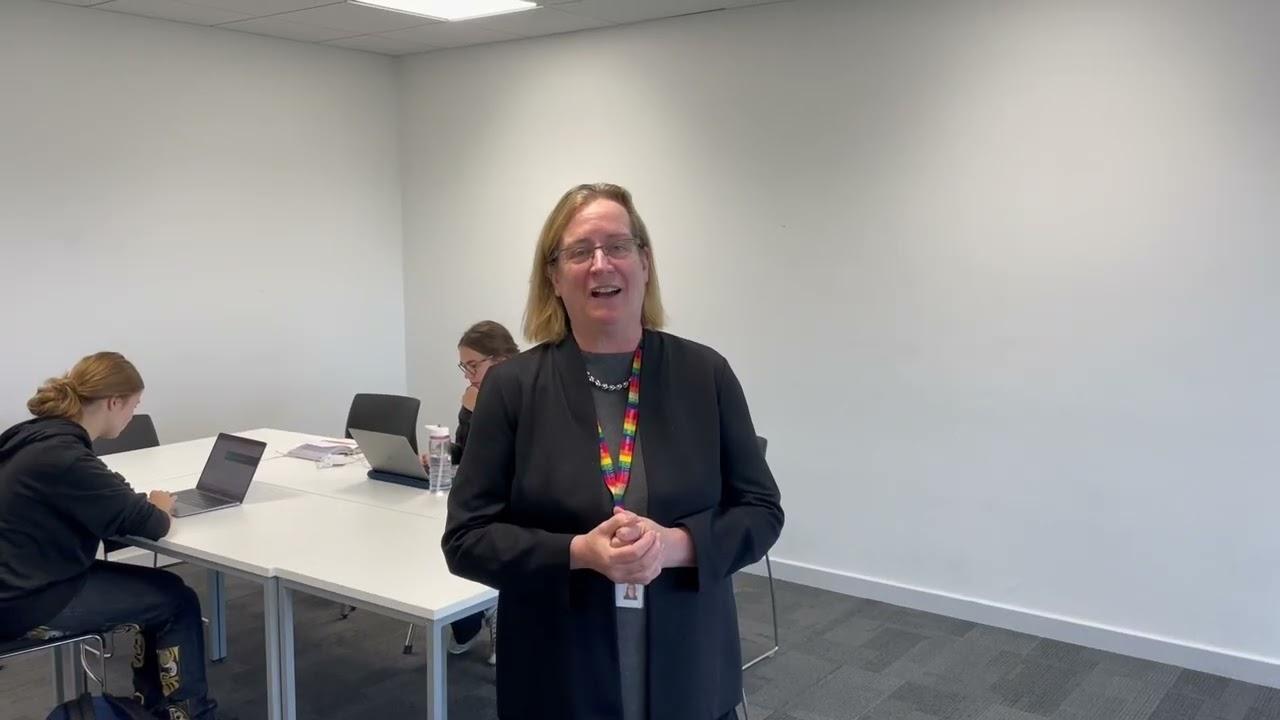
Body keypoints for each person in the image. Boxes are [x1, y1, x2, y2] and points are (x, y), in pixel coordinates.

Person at [442, 183, 784, 720]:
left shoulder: (705, 376)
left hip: (689, 669)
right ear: (553, 277)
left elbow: (762, 512)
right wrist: (579, 553)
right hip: (557, 674)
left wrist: (675, 546)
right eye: (579, 251)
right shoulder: (511, 387)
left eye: (619, 246)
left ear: (644, 263)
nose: (601, 264)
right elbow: (465, 539)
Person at [0, 352, 221, 720]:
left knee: (162, 590)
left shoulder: (37, 436)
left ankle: (154, 707)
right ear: (113, 402)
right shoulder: (64, 455)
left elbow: (108, 498)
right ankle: (189, 714)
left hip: (20, 575)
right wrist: (160, 505)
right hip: (25, 598)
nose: (132, 416)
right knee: (175, 600)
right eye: (133, 406)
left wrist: (132, 502)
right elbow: (150, 523)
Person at [434, 320, 519, 663]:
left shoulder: (524, 391)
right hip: (480, 492)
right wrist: (440, 456)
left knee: (474, 536)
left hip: (514, 498)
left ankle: (492, 608)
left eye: (474, 365)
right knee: (453, 536)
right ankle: (470, 617)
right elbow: (468, 451)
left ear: (501, 360)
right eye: (463, 366)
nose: (468, 374)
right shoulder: (474, 395)